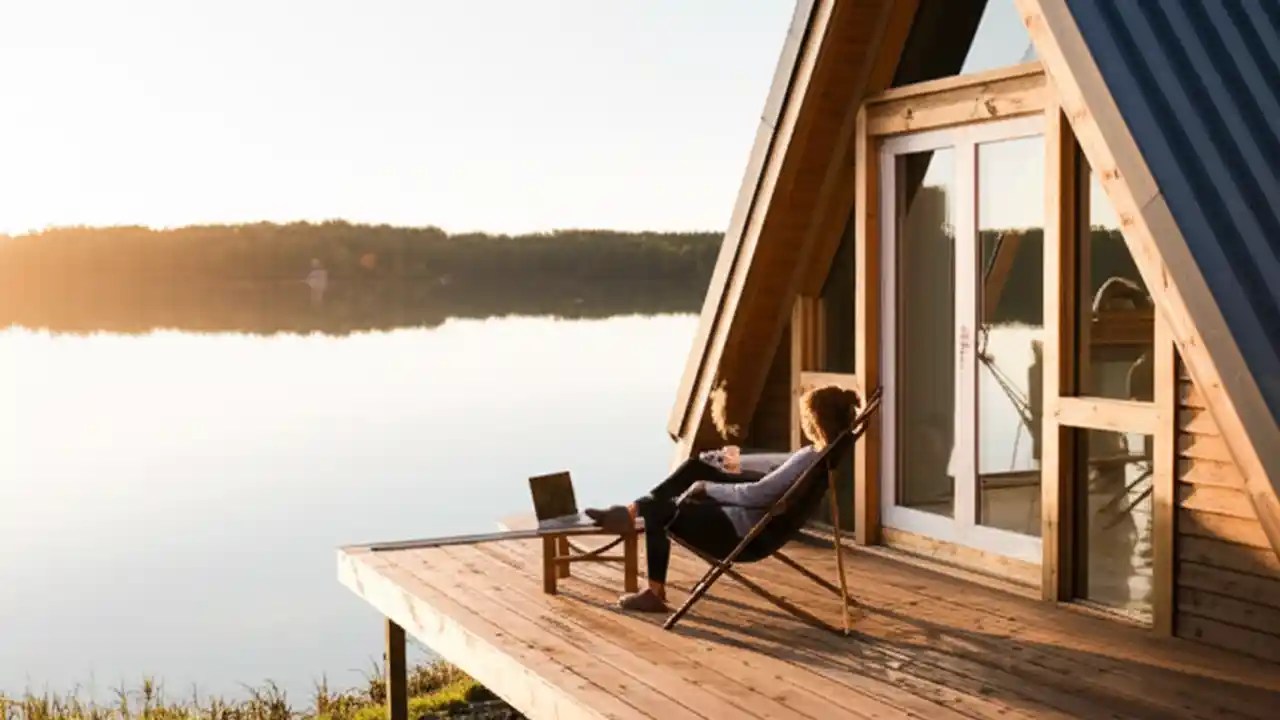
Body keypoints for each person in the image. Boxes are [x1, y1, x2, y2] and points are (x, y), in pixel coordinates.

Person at [585, 384, 861, 613]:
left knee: (659, 509)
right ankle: (630, 512)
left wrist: (708, 488)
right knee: (695, 467)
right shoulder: (818, 454)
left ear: (814, 421)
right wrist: (727, 463)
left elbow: (756, 494)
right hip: (752, 521)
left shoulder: (809, 458)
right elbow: (774, 470)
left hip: (740, 530)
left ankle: (653, 589)